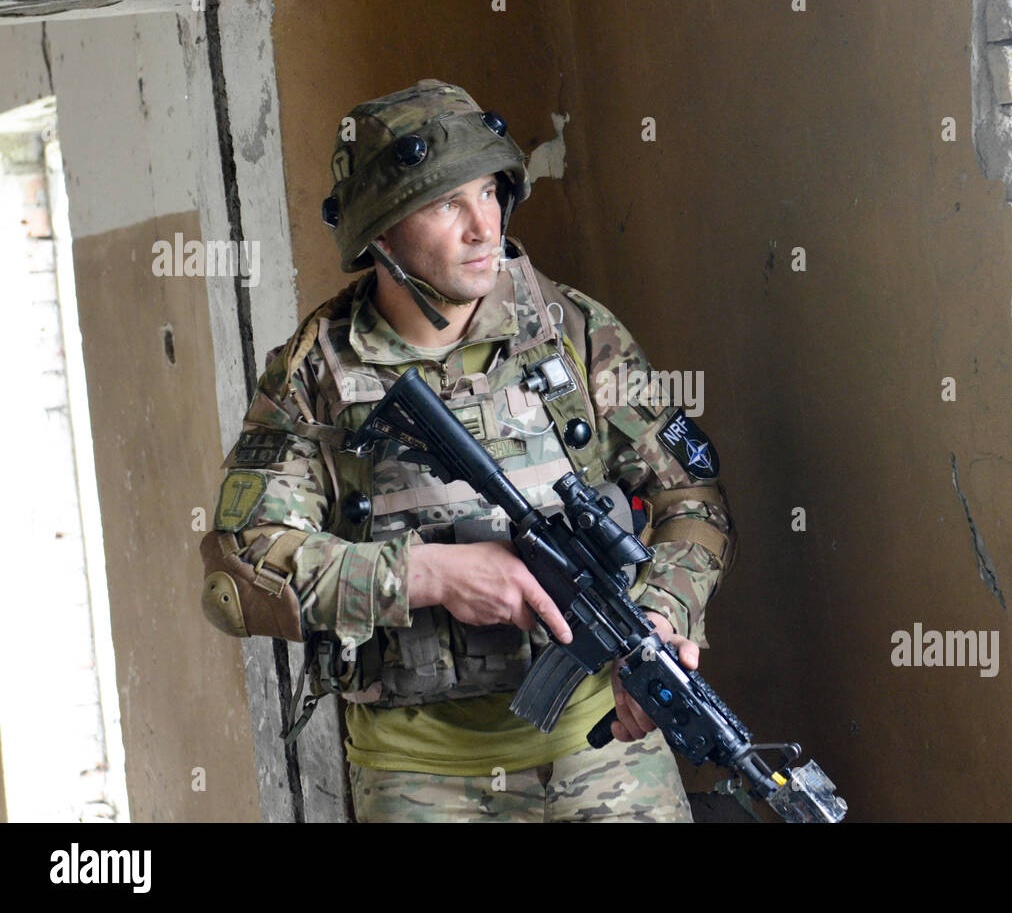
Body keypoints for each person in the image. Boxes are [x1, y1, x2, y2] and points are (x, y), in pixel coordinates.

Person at [198, 79, 736, 822]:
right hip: (421, 775)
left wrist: (665, 614)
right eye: (449, 203)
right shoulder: (316, 377)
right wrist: (425, 575)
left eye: (489, 193)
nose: (485, 228)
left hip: (605, 749)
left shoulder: (572, 330)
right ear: (381, 232)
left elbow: (690, 498)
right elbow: (239, 569)